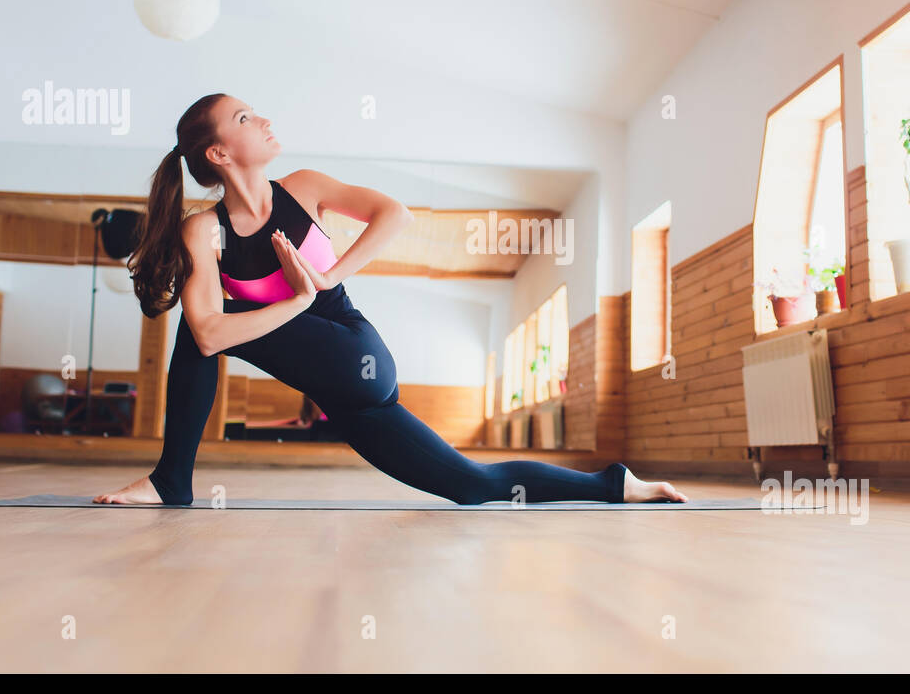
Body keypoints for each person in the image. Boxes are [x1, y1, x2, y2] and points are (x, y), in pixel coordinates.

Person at [93, 93, 687, 505]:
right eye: (245, 117)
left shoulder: (303, 188)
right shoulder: (206, 231)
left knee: (214, 323)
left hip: (355, 358)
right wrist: (295, 304)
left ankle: (172, 481)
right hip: (350, 403)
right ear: (219, 153)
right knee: (472, 485)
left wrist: (325, 282)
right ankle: (618, 484)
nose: (264, 120)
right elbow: (207, 336)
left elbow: (392, 214)